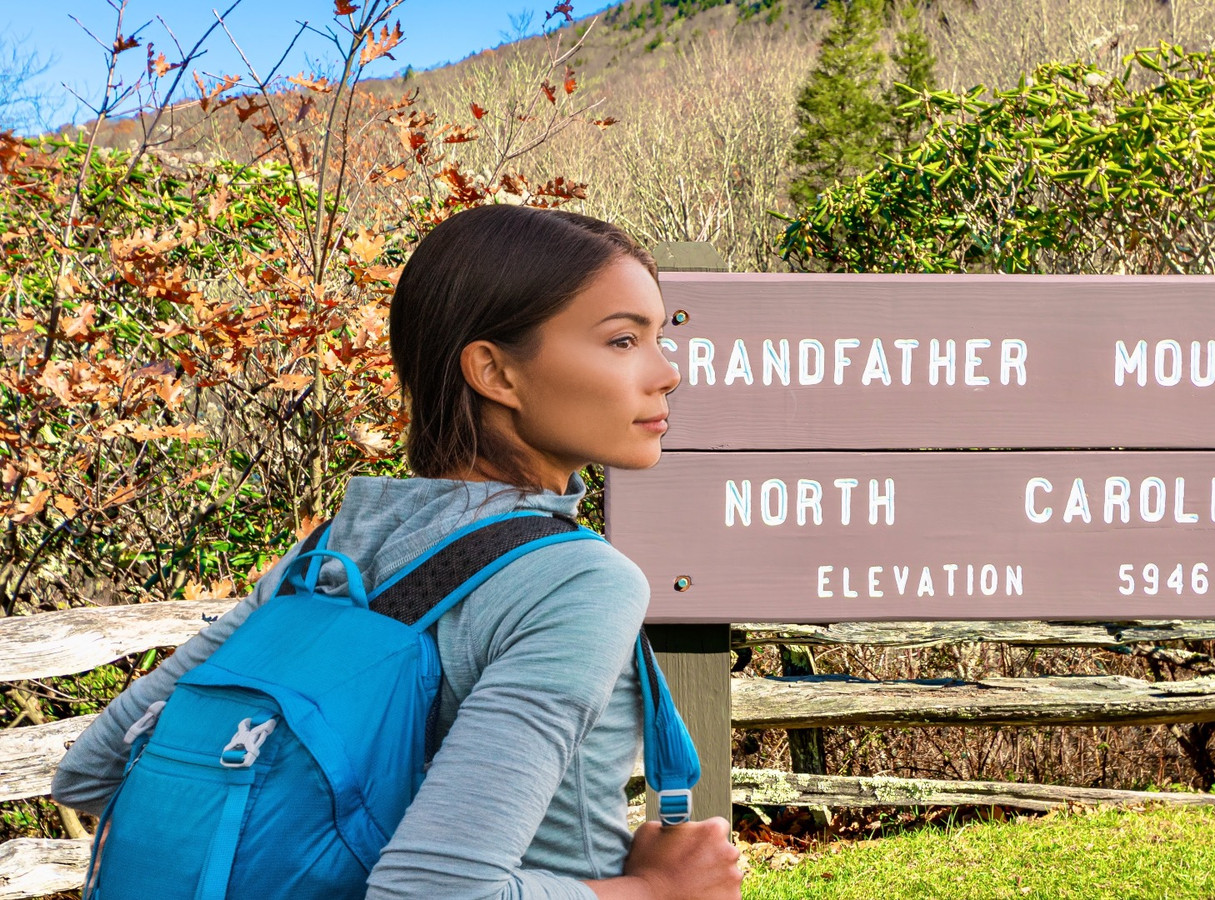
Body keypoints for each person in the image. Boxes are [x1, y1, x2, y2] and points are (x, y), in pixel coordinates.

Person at [52, 205, 744, 900]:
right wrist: (657, 891)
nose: (667, 373)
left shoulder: (325, 558)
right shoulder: (573, 579)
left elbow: (93, 770)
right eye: (623, 340)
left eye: (659, 338)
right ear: (495, 373)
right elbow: (434, 893)